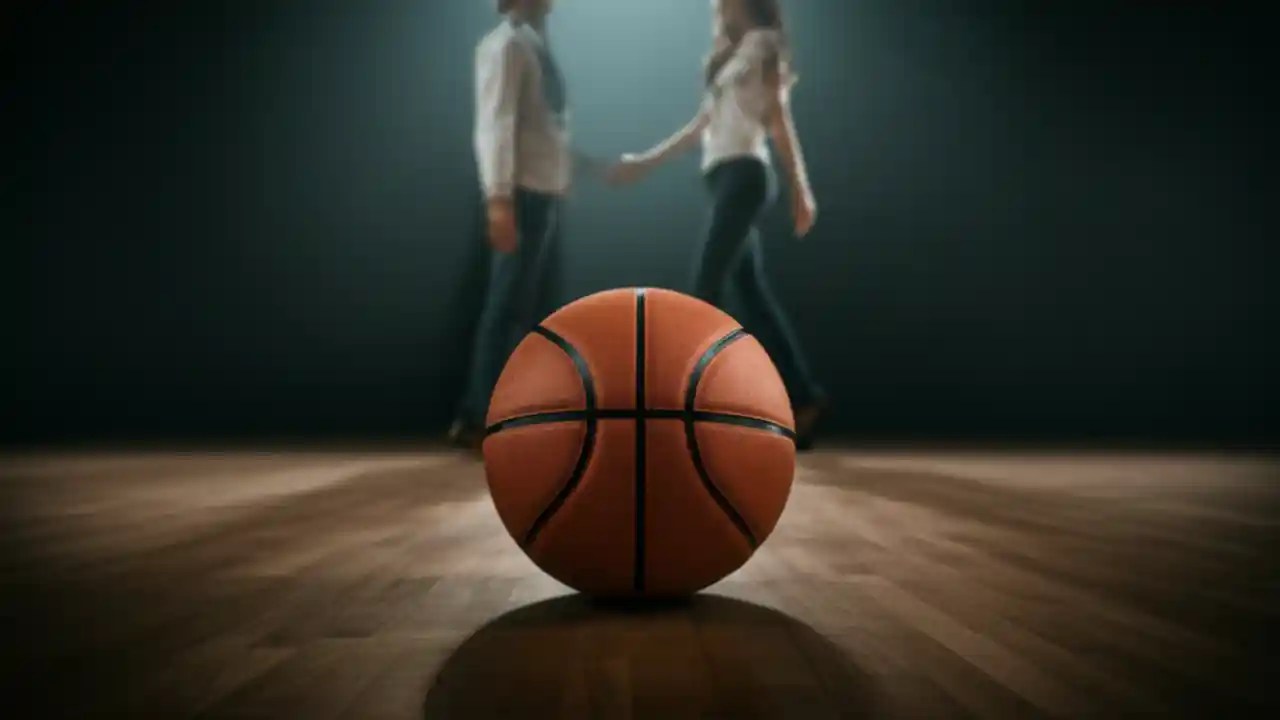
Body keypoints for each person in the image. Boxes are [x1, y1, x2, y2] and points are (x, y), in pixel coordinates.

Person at [608, 0, 828, 448]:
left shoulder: (762, 44)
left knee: (704, 291)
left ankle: (695, 410)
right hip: (723, 180)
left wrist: (800, 188)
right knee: (752, 294)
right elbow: (699, 129)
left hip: (745, 177)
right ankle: (803, 398)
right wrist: (645, 163)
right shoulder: (727, 57)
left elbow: (779, 120)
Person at [449, 0, 596, 450]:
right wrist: (498, 199)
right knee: (507, 306)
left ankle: (507, 414)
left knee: (524, 308)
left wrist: (579, 169)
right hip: (521, 196)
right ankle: (479, 416)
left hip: (543, 195)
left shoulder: (534, 45)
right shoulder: (506, 46)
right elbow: (495, 123)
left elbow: (544, 127)